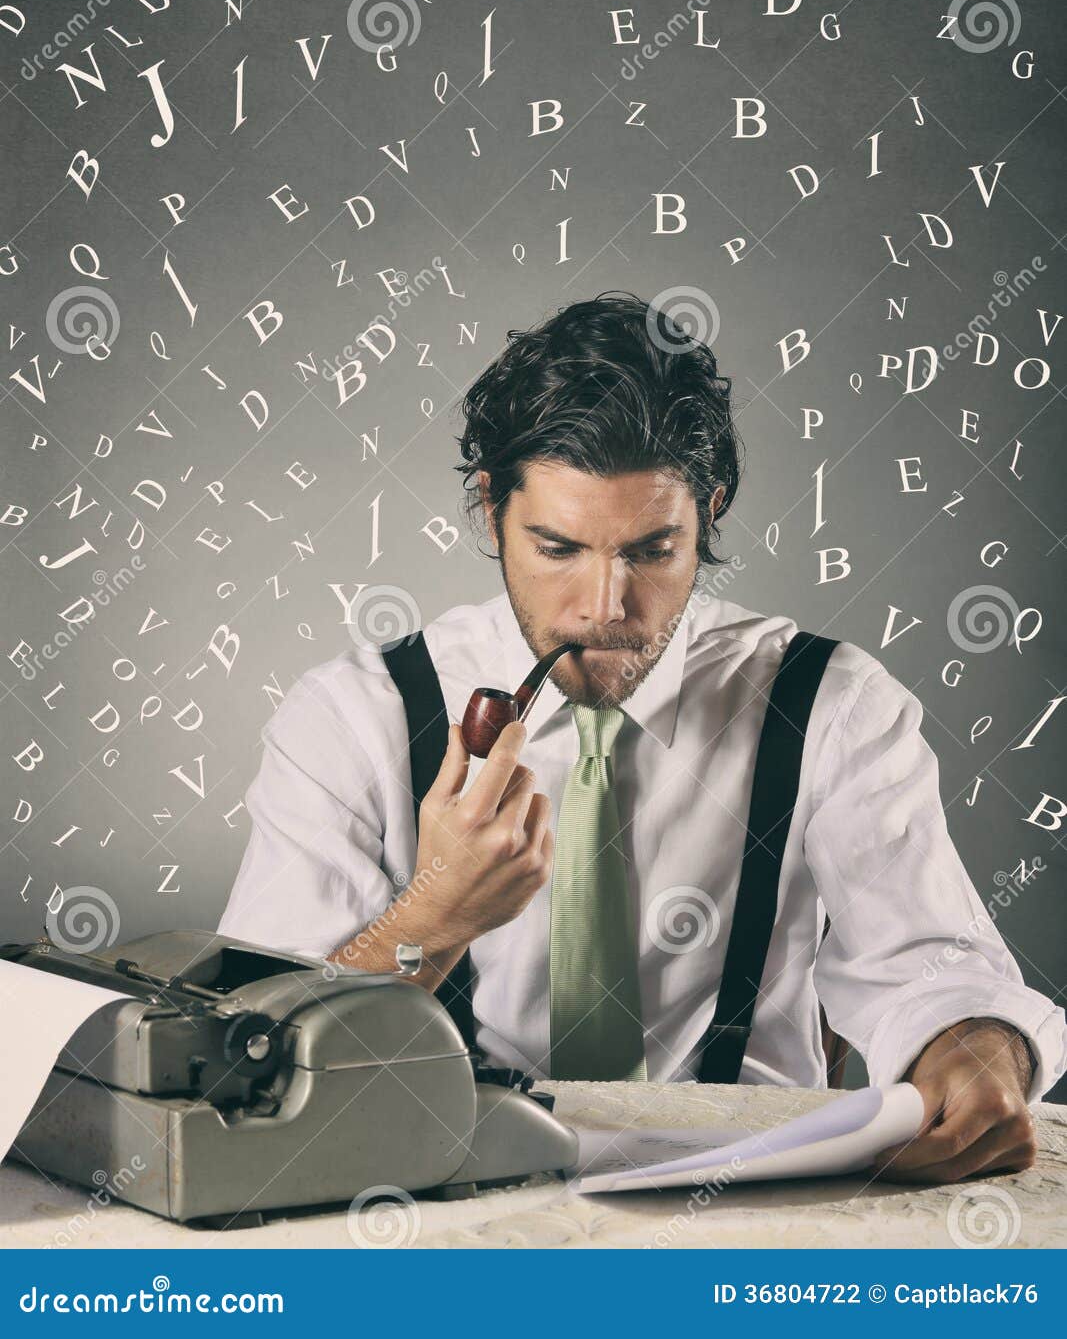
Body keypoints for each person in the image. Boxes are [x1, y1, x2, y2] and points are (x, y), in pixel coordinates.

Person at [218, 292, 1065, 1183]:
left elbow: (931, 968)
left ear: (710, 508)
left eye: (651, 552)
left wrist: (981, 1052)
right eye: (557, 549)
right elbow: (252, 1054)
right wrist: (434, 915)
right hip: (440, 1201)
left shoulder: (829, 703)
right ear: (488, 508)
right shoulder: (355, 716)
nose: (604, 608)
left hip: (751, 1209)